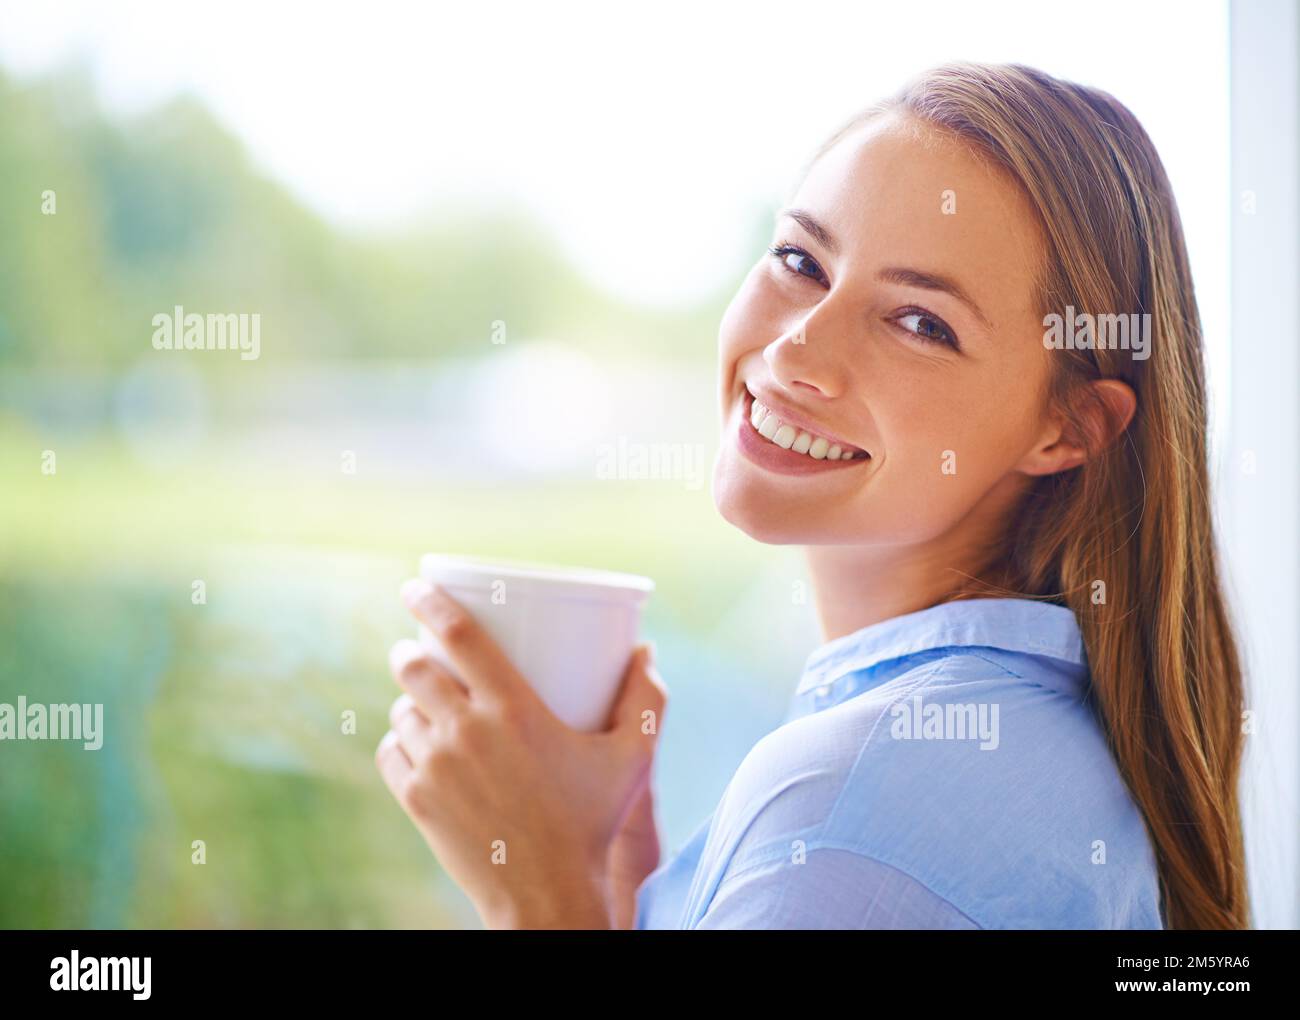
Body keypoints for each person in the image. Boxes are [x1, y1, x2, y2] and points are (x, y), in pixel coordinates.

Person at [375, 62, 1249, 930]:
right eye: (801, 260)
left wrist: (535, 891)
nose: (797, 352)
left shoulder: (856, 806)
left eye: (920, 323)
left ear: (1070, 428)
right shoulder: (1013, 734)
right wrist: (619, 880)